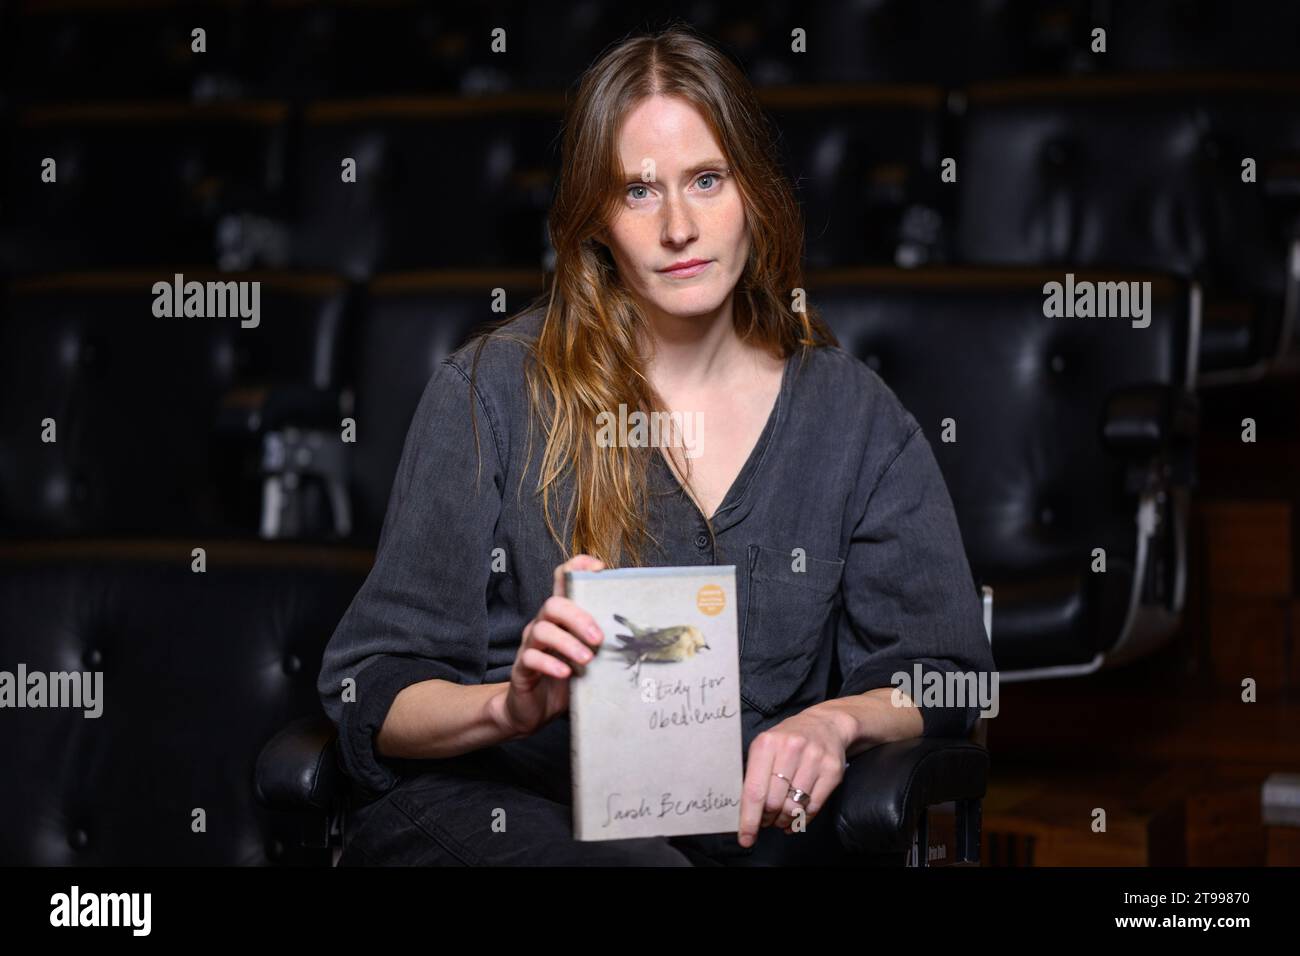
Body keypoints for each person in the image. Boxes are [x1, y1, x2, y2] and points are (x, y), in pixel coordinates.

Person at [316, 23, 996, 866]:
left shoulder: (853, 415)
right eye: (639, 192)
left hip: (734, 840)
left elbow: (946, 675)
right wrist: (513, 707)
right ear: (596, 220)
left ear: (755, 192)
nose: (678, 226)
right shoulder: (490, 390)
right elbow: (370, 689)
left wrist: (834, 721)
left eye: (706, 180)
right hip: (498, 812)